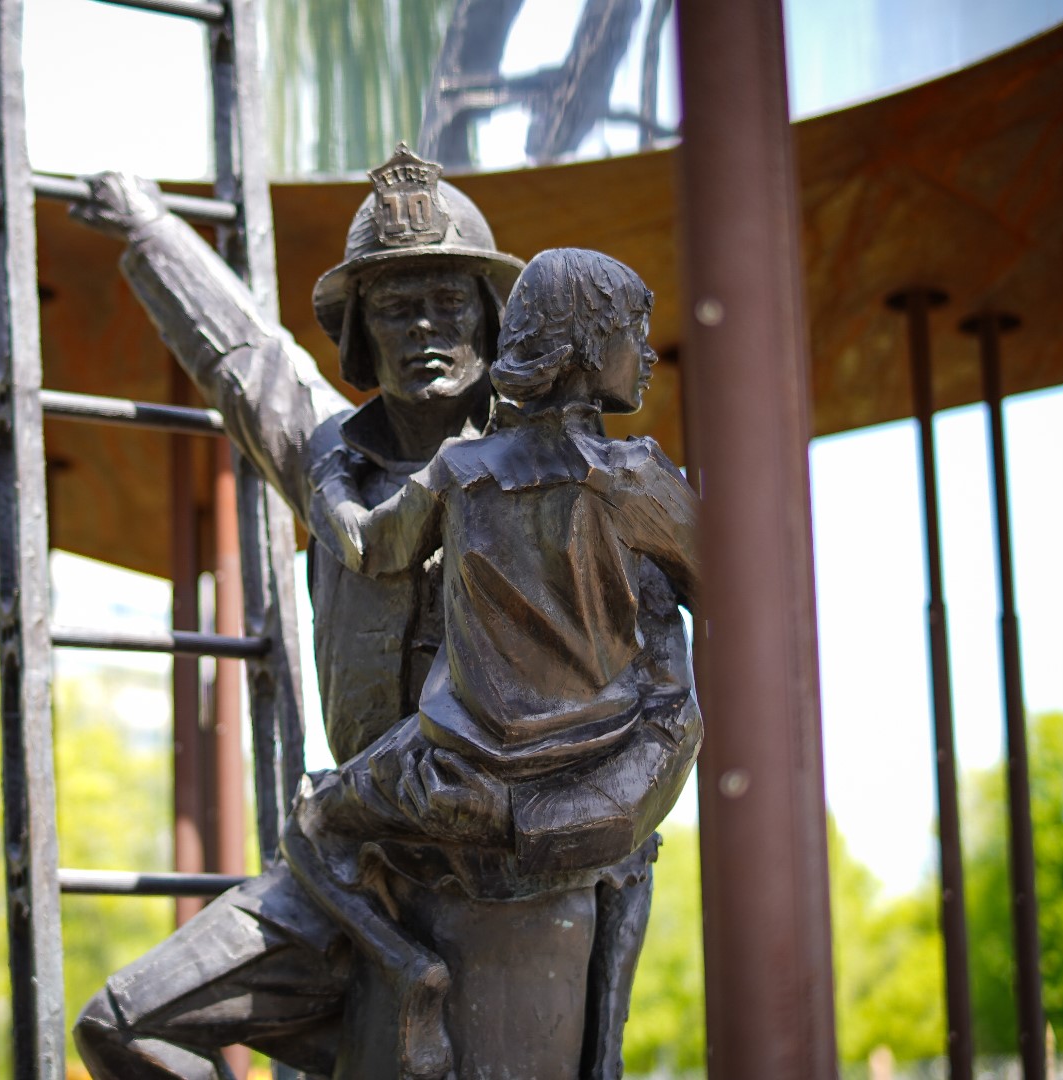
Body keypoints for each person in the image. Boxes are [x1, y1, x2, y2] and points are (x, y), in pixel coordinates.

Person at [67, 148, 701, 1080]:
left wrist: (549, 826)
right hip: (353, 866)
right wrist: (153, 232)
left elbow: (666, 704)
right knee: (122, 1024)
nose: (426, 332)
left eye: (449, 304)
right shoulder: (335, 465)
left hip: (514, 889)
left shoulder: (577, 479)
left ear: (494, 319)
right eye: (396, 310)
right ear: (361, 333)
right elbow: (243, 357)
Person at [283, 249, 700, 1078]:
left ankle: (408, 970)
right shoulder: (637, 480)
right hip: (578, 763)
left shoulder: (459, 472)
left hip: (451, 758)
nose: (649, 356)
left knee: (316, 823)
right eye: (634, 337)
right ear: (587, 350)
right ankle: (407, 975)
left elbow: (367, 544)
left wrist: (327, 475)